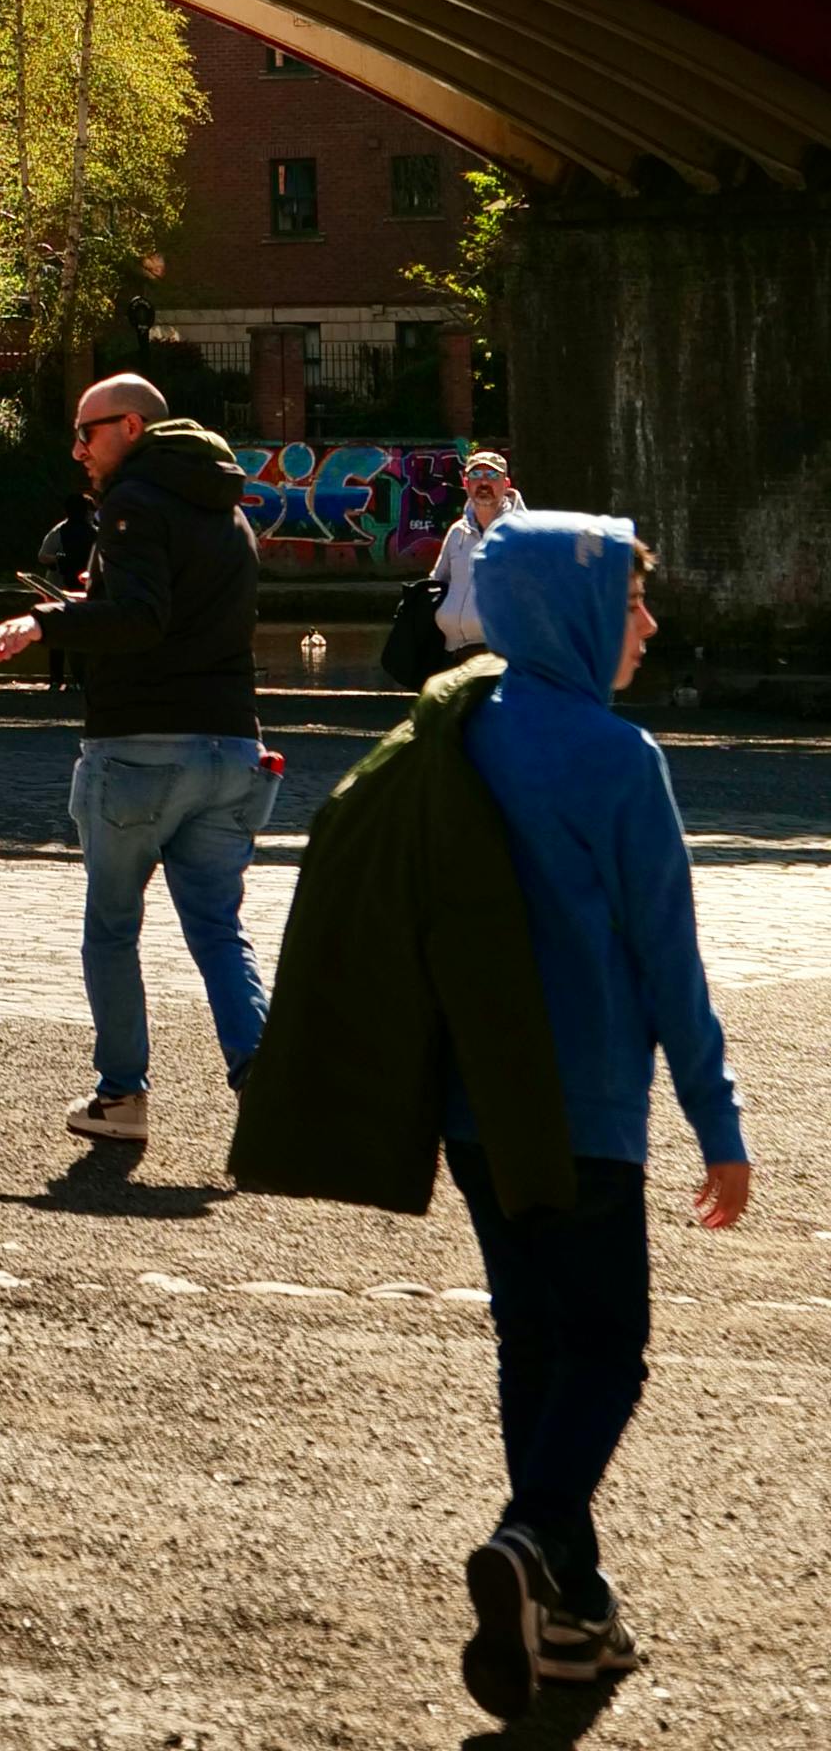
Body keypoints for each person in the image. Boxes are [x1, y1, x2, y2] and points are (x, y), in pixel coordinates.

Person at [441, 514, 748, 1719]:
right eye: (631, 602)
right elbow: (668, 966)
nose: (649, 623)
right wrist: (717, 1124)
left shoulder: (458, 733)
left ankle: (571, 1616)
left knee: (531, 1341)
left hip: (477, 1107)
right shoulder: (621, 761)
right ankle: (531, 1545)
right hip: (589, 1113)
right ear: (577, 612)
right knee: (609, 1347)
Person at [0, 369, 269, 1148]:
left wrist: (45, 622)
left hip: (142, 749)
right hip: (234, 747)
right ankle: (267, 1079)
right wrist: (84, 601)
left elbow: (141, 623)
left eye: (87, 431)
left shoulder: (133, 503)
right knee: (217, 927)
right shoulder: (228, 512)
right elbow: (182, 616)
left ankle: (122, 1098)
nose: (76, 449)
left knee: (112, 927)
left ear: (133, 428)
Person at [433, 444, 517, 654]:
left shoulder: (522, 535)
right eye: (476, 475)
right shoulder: (457, 533)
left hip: (499, 656)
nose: (484, 482)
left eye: (492, 475)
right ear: (466, 483)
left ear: (506, 484)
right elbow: (437, 581)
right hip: (453, 649)